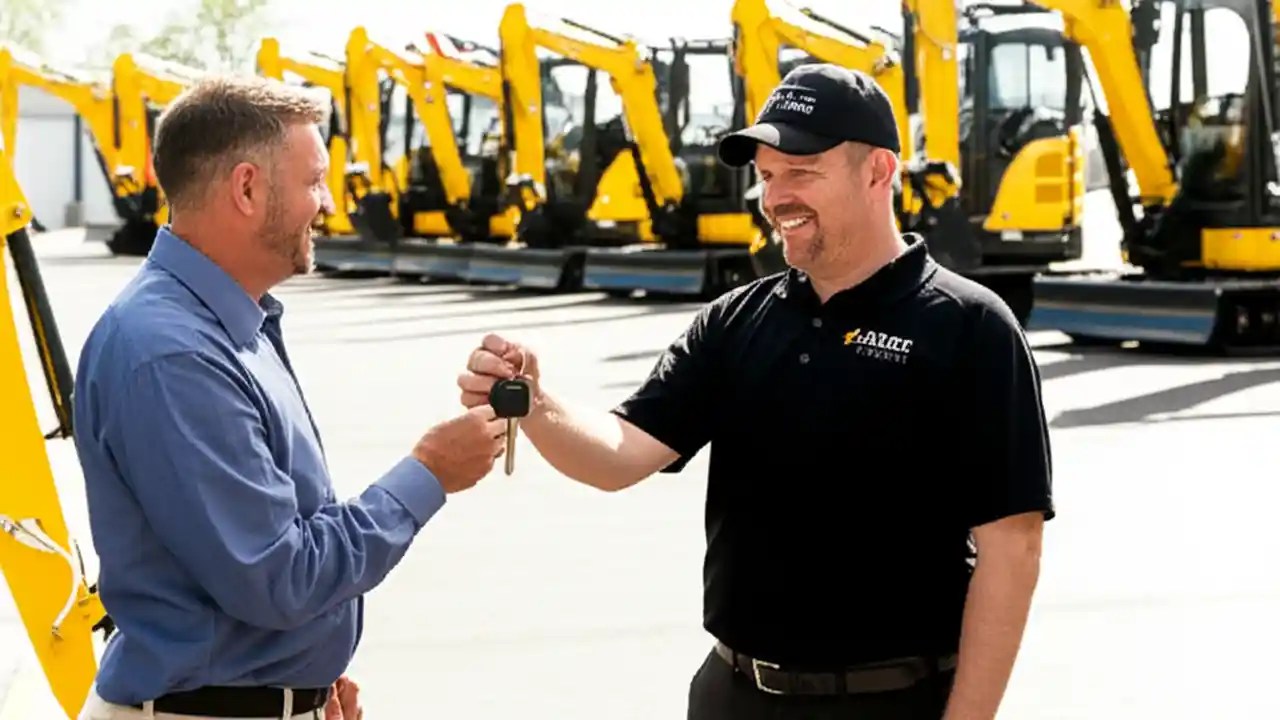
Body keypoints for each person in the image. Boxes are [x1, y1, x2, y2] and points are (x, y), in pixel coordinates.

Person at [457, 64, 1053, 719]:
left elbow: (1012, 547)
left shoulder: (968, 326)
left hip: (891, 701)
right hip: (733, 697)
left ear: (878, 171)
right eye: (768, 176)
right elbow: (620, 453)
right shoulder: (735, 321)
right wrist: (538, 403)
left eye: (802, 172)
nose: (776, 198)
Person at [72, 75, 508, 719]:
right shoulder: (175, 354)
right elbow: (279, 576)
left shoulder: (226, 325)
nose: (327, 203)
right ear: (247, 188)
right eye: (313, 182)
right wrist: (428, 473)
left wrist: (304, 674)